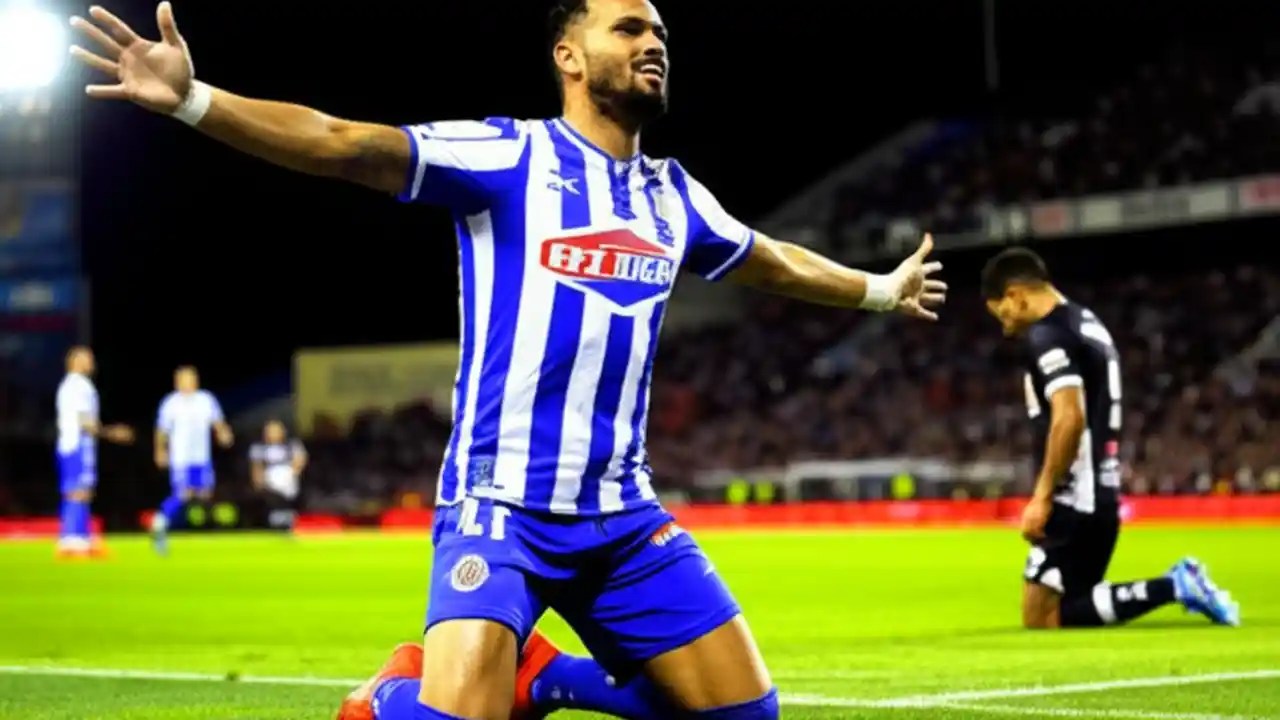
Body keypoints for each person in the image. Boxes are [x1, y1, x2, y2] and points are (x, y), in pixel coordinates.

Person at [69, 2, 946, 718]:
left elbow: (771, 258)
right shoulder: (510, 155)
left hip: (623, 514)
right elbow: (343, 142)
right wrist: (193, 101)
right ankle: (389, 699)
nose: (653, 44)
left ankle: (549, 678)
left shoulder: (675, 195)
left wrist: (880, 290)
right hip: (503, 508)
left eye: (661, 33)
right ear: (570, 56)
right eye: (628, 29)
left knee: (745, 715)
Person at [980, 247, 1240, 630]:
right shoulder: (1087, 324)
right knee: (1062, 609)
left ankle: (1174, 585)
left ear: (1016, 295)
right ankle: (1175, 585)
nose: (1005, 327)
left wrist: (1043, 495)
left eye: (1002, 313)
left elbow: (1069, 417)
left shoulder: (1047, 335)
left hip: (1074, 496)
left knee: (1041, 615)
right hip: (1102, 491)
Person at [54, 346, 134, 558]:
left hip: (80, 444)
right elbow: (84, 422)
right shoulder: (77, 386)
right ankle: (70, 541)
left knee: (84, 491)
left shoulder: (75, 385)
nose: (92, 362)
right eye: (87, 359)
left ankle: (83, 539)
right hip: (76, 444)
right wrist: (112, 433)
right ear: (75, 361)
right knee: (76, 491)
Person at [150, 365, 233, 555]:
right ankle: (160, 523)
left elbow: (217, 421)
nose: (189, 382)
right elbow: (161, 430)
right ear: (177, 382)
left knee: (204, 493)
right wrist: (160, 451)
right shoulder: (171, 403)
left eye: (192, 378)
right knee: (183, 494)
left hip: (201, 457)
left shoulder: (206, 399)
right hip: (181, 458)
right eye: (185, 379)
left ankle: (195, 527)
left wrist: (224, 433)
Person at [249, 419, 307, 535]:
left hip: (288, 481)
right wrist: (259, 483)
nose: (272, 434)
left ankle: (288, 521)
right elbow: (256, 468)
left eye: (275, 430)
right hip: (269, 484)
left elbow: (300, 461)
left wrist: (289, 475)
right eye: (269, 431)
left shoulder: (292, 445)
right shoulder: (258, 448)